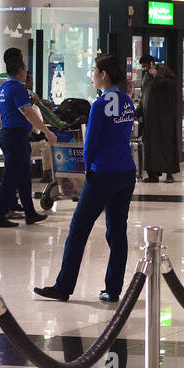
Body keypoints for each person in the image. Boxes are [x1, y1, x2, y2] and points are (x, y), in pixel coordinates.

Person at [34, 54, 137, 302]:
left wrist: (88, 168)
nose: (91, 74)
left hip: (103, 173)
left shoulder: (99, 106)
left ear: (103, 75)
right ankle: (113, 289)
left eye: (93, 70)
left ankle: (63, 286)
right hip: (126, 172)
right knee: (116, 231)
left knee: (78, 229)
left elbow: (90, 144)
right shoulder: (126, 101)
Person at [0, 54, 56, 228]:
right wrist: (46, 131)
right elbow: (27, 112)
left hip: (9, 134)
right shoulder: (18, 88)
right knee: (11, 178)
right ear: (21, 71)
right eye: (25, 69)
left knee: (23, 176)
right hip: (15, 136)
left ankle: (30, 213)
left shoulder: (3, 88)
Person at [138, 55, 180, 183]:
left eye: (145, 66)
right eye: (142, 67)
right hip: (149, 119)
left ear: (151, 63)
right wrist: (137, 112)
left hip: (163, 118)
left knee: (165, 144)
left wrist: (158, 76)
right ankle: (153, 175)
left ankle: (169, 173)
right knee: (151, 147)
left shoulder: (164, 71)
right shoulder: (145, 76)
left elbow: (172, 86)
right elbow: (144, 95)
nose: (144, 69)